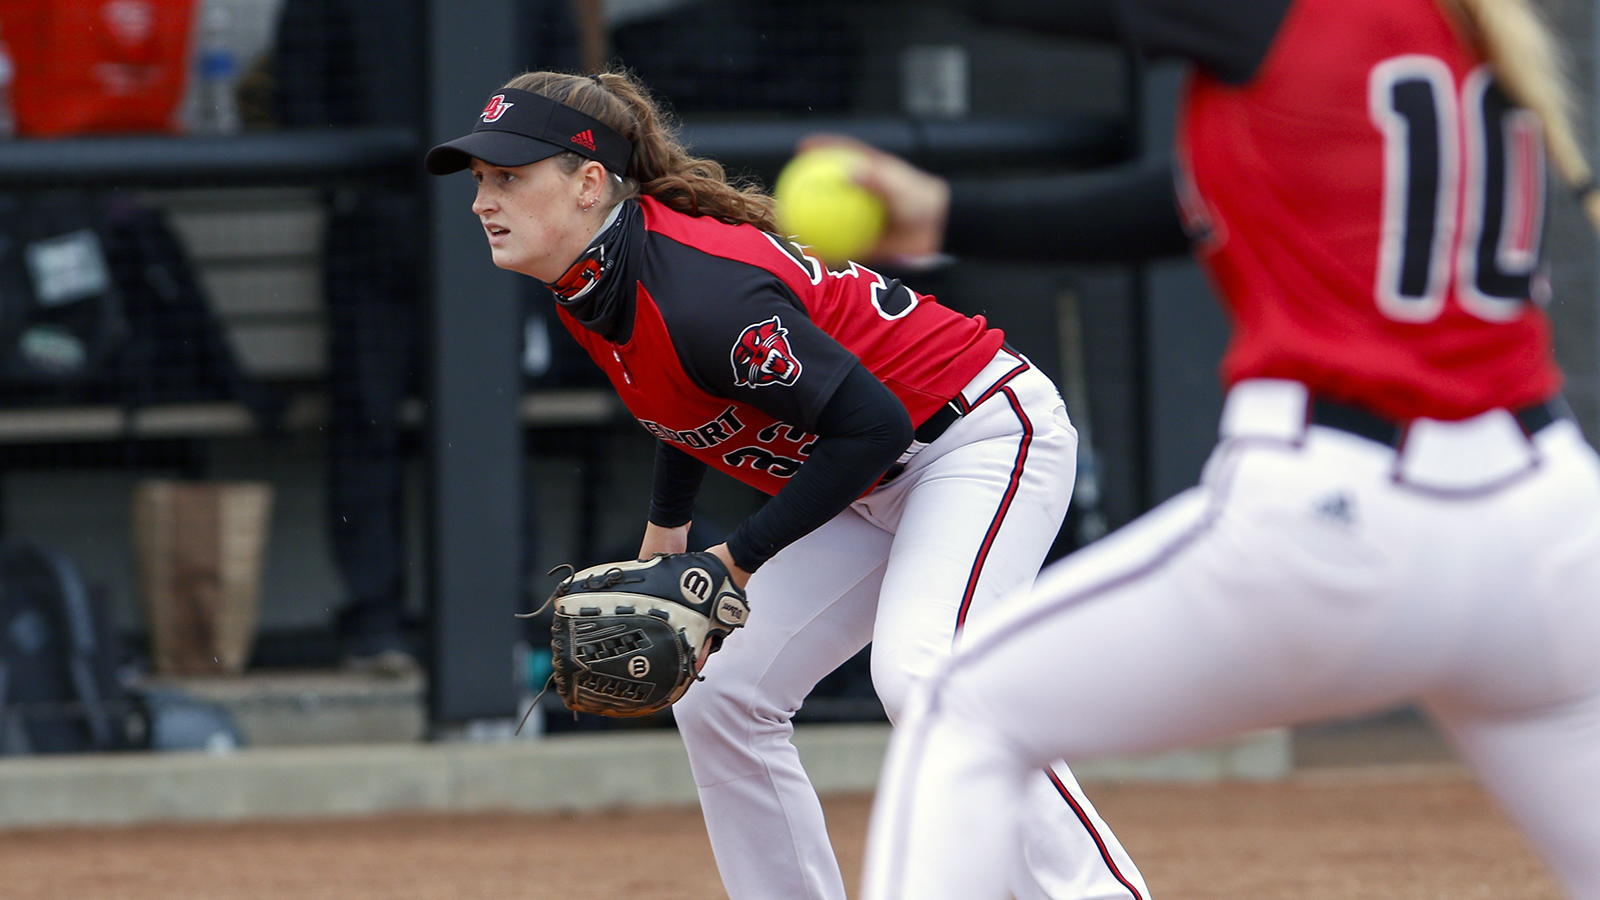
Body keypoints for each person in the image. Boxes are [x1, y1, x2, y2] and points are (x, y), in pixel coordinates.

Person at [823, 1, 1600, 899]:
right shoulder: (1455, 26)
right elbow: (1192, 207)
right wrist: (954, 216)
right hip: (1549, 531)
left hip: (1342, 512)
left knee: (962, 707)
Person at [426, 69, 1152, 900]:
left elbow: (874, 426)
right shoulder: (590, 278)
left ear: (590, 183)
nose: (485, 199)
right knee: (721, 693)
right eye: (482, 179)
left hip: (976, 436)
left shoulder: (699, 289)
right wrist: (668, 537)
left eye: (510, 177)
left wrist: (732, 562)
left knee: (926, 675)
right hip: (868, 476)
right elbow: (691, 398)